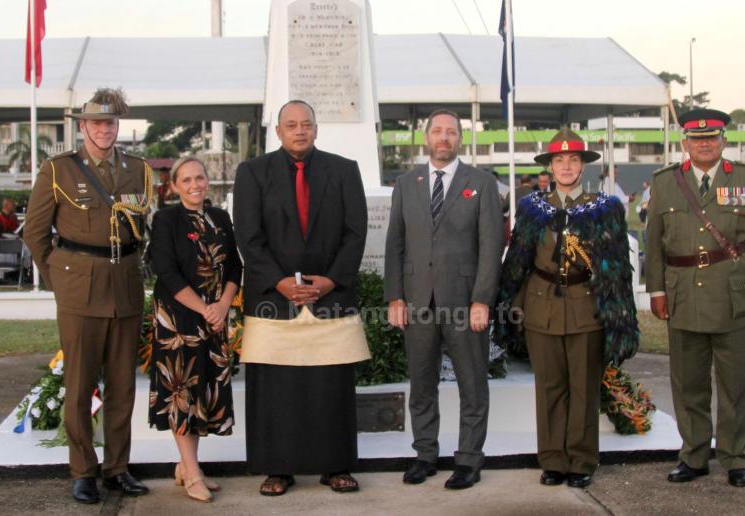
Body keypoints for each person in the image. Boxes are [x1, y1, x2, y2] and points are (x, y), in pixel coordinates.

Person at [233, 100, 370, 496]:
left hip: (330, 297)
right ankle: (278, 468)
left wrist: (329, 281)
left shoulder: (344, 171)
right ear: (277, 131)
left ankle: (336, 465)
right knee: (277, 390)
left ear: (316, 129)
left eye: (306, 124)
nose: (299, 131)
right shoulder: (252, 173)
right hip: (273, 299)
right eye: (291, 125)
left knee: (331, 388)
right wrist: (278, 281)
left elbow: (355, 233)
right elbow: (248, 236)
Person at [23, 88, 153, 504]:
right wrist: (60, 278)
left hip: (126, 284)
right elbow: (35, 233)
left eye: (110, 122)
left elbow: (142, 230)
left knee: (122, 386)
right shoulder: (59, 170)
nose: (104, 129)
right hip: (79, 287)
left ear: (118, 126)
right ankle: (83, 470)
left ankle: (117, 468)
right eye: (96, 122)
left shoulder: (138, 170)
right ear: (83, 127)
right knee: (79, 386)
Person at [646, 109, 745, 488]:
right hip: (683, 295)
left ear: (723, 140)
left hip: (734, 297)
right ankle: (693, 455)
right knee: (688, 383)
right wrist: (656, 290)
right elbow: (653, 242)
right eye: (696, 138)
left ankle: (735, 457)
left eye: (711, 137)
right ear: (685, 142)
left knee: (734, 383)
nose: (704, 143)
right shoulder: (666, 182)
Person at [496, 130, 638, 489]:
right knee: (550, 386)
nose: (566, 166)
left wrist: (620, 318)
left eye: (573, 160)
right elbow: (517, 261)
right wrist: (507, 304)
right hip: (540, 308)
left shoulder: (605, 209)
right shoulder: (531, 207)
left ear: (583, 165)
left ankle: (582, 460)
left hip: (586, 308)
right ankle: (553, 460)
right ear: (549, 166)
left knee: (583, 387)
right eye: (559, 160)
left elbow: (618, 268)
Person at [383, 109, 504, 490]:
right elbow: (395, 244)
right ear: (426, 137)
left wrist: (482, 299)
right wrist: (395, 297)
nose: (444, 138)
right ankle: (425, 454)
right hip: (417, 301)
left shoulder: (482, 183)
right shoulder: (406, 183)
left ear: (460, 139)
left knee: (472, 384)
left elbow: (490, 245)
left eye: (451, 132)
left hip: (465, 302)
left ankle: (468, 460)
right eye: (437, 131)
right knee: (421, 383)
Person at [148, 157, 241, 503]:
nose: (194, 185)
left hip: (214, 318)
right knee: (182, 394)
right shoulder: (166, 219)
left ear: (208, 180)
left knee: (202, 392)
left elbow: (234, 266)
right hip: (179, 319)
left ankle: (186, 465)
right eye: (185, 180)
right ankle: (193, 471)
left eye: (199, 177)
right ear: (174, 186)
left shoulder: (220, 218)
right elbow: (167, 273)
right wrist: (204, 308)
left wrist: (223, 306)